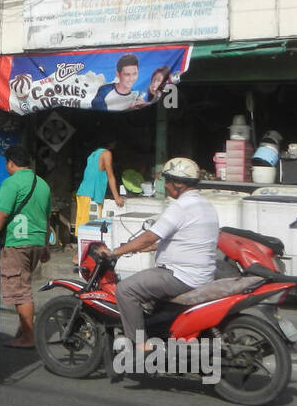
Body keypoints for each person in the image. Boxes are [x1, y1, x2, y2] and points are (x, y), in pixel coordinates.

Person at [102, 157, 217, 375]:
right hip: (200, 273)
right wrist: (147, 248)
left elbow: (148, 236)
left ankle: (140, 348)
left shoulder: (181, 207)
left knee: (126, 290)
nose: (164, 185)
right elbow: (184, 240)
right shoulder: (204, 204)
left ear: (179, 184)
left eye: (168, 181)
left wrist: (115, 252)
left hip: (181, 276)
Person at [0, 144, 51, 349]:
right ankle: (24, 330)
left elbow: (2, 214)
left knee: (20, 290)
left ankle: (28, 337)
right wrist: (45, 246)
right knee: (24, 285)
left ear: (11, 163)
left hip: (17, 242)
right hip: (36, 242)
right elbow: (46, 217)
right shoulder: (42, 184)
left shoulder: (11, 183)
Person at [75, 139, 122, 228]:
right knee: (91, 227)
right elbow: (110, 176)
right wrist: (117, 197)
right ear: (111, 143)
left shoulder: (93, 154)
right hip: (92, 194)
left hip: (83, 193)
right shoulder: (106, 153)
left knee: (82, 226)